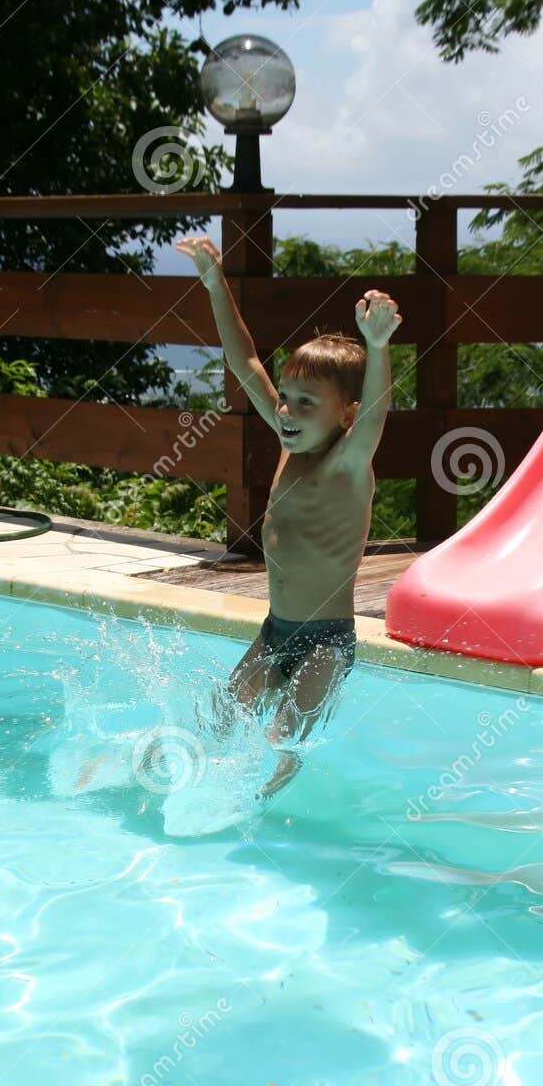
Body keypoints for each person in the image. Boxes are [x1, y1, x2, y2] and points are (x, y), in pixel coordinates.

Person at [175, 233, 402, 802]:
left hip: (327, 642)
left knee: (282, 742)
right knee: (219, 723)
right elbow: (244, 359)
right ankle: (199, 792)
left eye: (306, 403)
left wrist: (378, 346)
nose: (287, 410)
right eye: (286, 398)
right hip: (274, 630)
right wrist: (213, 282)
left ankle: (256, 815)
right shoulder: (287, 444)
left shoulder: (349, 463)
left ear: (344, 414)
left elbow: (377, 412)